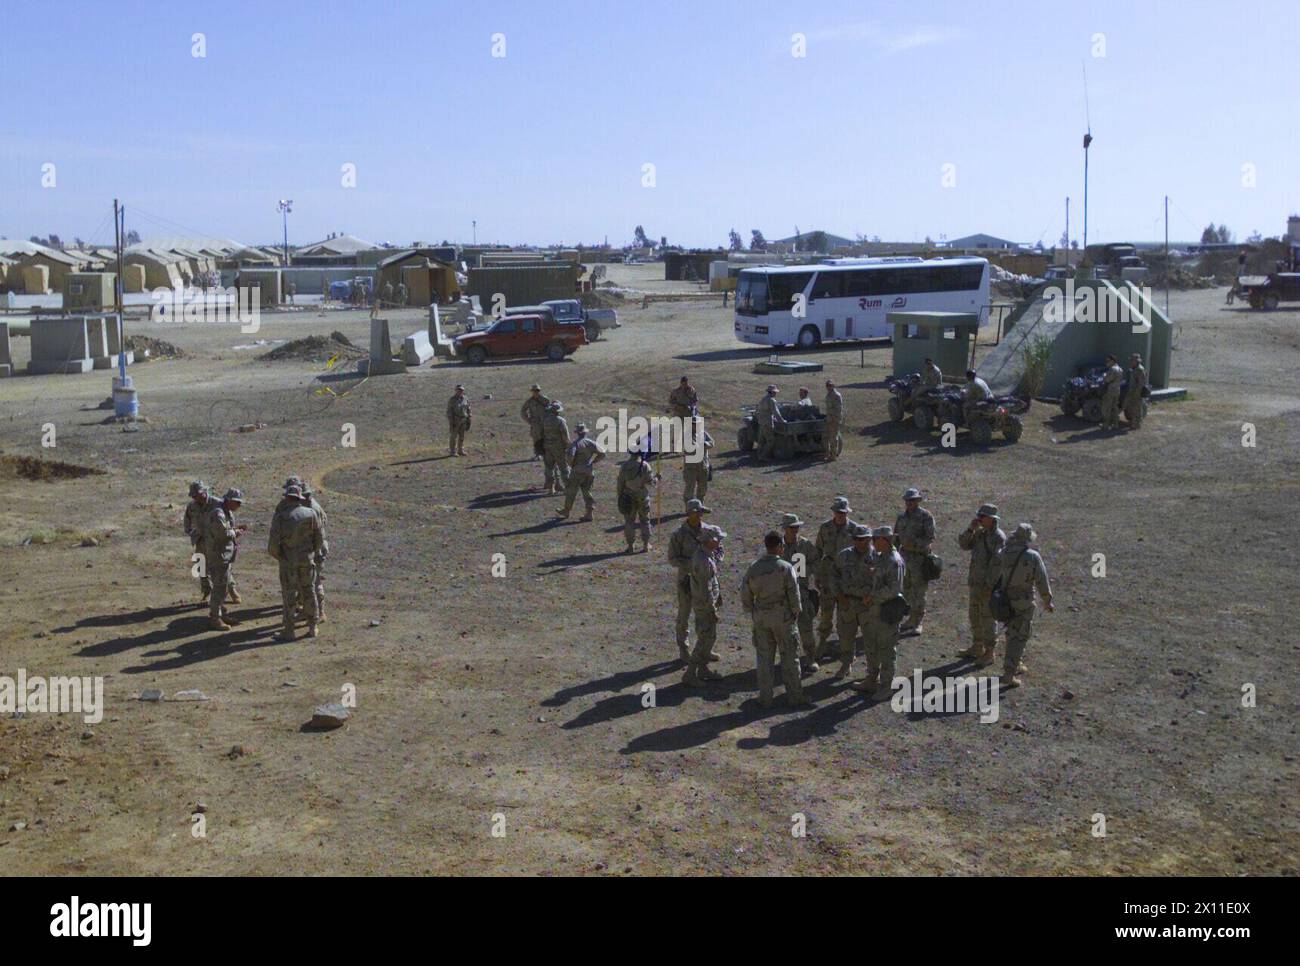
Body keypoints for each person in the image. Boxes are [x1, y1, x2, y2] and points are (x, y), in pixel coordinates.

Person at [742, 531, 807, 707]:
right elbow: (794, 592)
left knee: (764, 659)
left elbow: (745, 593)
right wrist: (795, 611)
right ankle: (795, 696)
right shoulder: (785, 567)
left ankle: (765, 698)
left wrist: (752, 611)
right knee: (790, 658)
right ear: (779, 546)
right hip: (783, 618)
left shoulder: (754, 568)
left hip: (762, 617)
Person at [996, 523, 1053, 689]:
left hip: (1005, 599)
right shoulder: (1032, 556)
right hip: (1024, 601)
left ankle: (1015, 662)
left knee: (1011, 631)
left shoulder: (1003, 553)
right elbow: (1042, 580)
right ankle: (1009, 673)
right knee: (1020, 635)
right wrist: (1047, 600)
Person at [851, 526, 904, 696]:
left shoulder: (894, 561)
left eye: (876, 539)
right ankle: (871, 680)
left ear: (885, 540)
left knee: (886, 650)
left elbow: (894, 589)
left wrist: (872, 596)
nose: (872, 543)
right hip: (874, 612)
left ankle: (886, 686)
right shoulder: (882, 558)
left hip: (886, 612)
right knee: (871, 647)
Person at [668, 499, 721, 662]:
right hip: (687, 579)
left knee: (706, 613)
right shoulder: (679, 534)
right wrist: (693, 565)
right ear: (689, 513)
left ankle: (705, 648)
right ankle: (684, 648)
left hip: (706, 580)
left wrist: (714, 561)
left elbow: (719, 550)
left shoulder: (709, 530)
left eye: (700, 513)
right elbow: (672, 559)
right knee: (684, 613)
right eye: (696, 512)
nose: (699, 515)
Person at [268, 485, 323, 641]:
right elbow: (319, 540)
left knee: (289, 595)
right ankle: (313, 626)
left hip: (289, 561)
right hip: (307, 559)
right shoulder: (311, 514)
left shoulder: (282, 516)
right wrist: (310, 552)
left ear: (287, 497)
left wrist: (281, 557)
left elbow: (272, 546)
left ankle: (289, 630)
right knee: (309, 591)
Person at [957, 504, 1006, 665]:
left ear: (992, 519)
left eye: (982, 516)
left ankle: (990, 652)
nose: (979, 519)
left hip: (988, 586)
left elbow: (998, 565)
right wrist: (970, 529)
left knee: (988, 618)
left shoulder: (998, 537)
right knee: (974, 615)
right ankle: (977, 646)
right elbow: (964, 545)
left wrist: (989, 586)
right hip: (975, 583)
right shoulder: (979, 533)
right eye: (979, 516)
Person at [827, 524, 875, 679]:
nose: (861, 542)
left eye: (864, 539)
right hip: (847, 603)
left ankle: (873, 672)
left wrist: (873, 596)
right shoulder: (844, 555)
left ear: (870, 539)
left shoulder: (878, 557)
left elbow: (885, 580)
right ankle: (846, 664)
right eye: (857, 539)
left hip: (868, 605)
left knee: (871, 639)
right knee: (846, 637)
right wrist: (839, 596)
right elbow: (833, 575)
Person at [814, 496, 859, 660]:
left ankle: (847, 649)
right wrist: (818, 574)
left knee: (846, 614)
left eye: (843, 512)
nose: (840, 515)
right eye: (837, 512)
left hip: (847, 577)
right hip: (828, 574)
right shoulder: (825, 528)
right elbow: (818, 551)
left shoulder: (855, 530)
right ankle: (823, 643)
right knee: (826, 611)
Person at [682, 529, 726, 687]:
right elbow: (705, 588)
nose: (720, 542)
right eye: (718, 539)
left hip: (707, 603)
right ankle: (690, 673)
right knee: (704, 638)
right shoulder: (702, 560)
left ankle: (702, 668)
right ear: (710, 541)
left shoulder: (707, 555)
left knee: (710, 637)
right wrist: (712, 609)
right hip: (705, 605)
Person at [778, 513, 821, 671]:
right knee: (784, 630)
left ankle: (810, 658)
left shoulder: (805, 545)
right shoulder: (778, 546)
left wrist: (805, 570)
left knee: (806, 627)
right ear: (785, 529)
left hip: (800, 592)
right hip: (782, 595)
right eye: (791, 528)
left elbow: (816, 562)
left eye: (796, 527)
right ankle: (788, 659)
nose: (795, 530)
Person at [203, 488, 246, 630]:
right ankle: (215, 618)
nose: (238, 506)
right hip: (218, 556)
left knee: (225, 585)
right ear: (229, 500)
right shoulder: (218, 513)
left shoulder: (226, 512)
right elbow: (222, 534)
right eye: (237, 502)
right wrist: (236, 532)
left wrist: (235, 528)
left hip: (225, 556)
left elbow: (226, 529)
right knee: (220, 587)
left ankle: (221, 613)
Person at [894, 487, 935, 635]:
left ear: (918, 501)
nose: (909, 503)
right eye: (907, 500)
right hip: (904, 559)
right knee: (907, 590)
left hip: (919, 559)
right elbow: (896, 536)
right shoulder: (901, 517)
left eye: (912, 500)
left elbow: (929, 537)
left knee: (919, 591)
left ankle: (918, 622)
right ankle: (911, 619)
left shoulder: (926, 516)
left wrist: (915, 545)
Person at [557, 422, 604, 520]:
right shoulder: (590, 443)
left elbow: (570, 456)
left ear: (577, 433)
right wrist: (593, 461)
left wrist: (572, 465)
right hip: (589, 470)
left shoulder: (575, 444)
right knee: (587, 491)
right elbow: (602, 453)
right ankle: (589, 513)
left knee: (571, 491)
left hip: (577, 471)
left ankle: (566, 511)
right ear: (585, 432)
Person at [615, 448, 656, 553]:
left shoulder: (624, 466)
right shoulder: (645, 465)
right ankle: (646, 545)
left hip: (628, 495)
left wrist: (620, 495)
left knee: (629, 522)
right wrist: (657, 479)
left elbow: (620, 483)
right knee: (645, 521)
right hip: (642, 496)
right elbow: (650, 482)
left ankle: (630, 546)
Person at [184, 481, 213, 603]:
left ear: (204, 492)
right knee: (201, 567)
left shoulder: (216, 504)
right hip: (200, 541)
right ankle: (207, 591)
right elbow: (187, 521)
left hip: (215, 541)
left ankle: (231, 589)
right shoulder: (192, 506)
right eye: (194, 496)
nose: (196, 497)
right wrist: (191, 532)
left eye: (198, 494)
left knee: (219, 567)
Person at [541, 401, 570, 494]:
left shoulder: (546, 420)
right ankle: (567, 488)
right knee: (564, 468)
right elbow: (565, 436)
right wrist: (568, 446)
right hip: (559, 447)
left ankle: (551, 488)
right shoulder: (561, 421)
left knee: (549, 468)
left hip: (547, 446)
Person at [682, 422, 713, 508]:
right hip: (691, 467)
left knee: (702, 488)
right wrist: (701, 445)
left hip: (703, 466)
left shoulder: (703, 433)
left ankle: (700, 506)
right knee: (690, 489)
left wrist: (706, 444)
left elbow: (712, 442)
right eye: (694, 424)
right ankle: (689, 508)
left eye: (698, 424)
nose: (696, 425)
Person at [520, 384, 550, 466]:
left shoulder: (545, 400)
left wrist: (549, 419)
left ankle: (546, 454)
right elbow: (523, 411)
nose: (536, 392)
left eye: (537, 391)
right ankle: (538, 454)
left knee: (546, 438)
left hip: (544, 423)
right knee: (536, 439)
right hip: (535, 424)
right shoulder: (529, 401)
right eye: (534, 391)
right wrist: (529, 420)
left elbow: (550, 409)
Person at [755, 384, 784, 460]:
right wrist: (782, 421)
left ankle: (759, 455)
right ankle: (763, 456)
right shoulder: (772, 400)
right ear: (771, 392)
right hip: (767, 422)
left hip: (761, 421)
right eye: (774, 392)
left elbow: (759, 410)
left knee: (761, 440)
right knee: (770, 440)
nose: (775, 393)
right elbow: (776, 412)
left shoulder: (763, 398)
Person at [1124, 353, 1148, 429]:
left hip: (1137, 393)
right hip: (1132, 392)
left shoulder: (1140, 370)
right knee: (1132, 408)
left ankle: (1137, 424)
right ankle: (1133, 422)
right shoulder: (1134, 369)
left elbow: (1141, 383)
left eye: (1132, 360)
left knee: (1137, 409)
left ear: (1136, 361)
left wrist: (1137, 393)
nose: (1131, 362)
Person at [1100, 354, 1123, 430]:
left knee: (1107, 407)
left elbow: (1107, 379)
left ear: (1112, 361)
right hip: (1117, 390)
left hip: (1110, 390)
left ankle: (1106, 425)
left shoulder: (1112, 369)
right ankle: (1116, 424)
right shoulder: (1120, 369)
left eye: (1108, 361)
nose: (1107, 362)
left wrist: (1104, 376)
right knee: (1115, 408)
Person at [446, 384, 471, 456]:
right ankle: (453, 451)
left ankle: (461, 450)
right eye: (459, 390)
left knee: (462, 436)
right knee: (453, 436)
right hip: (455, 420)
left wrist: (469, 418)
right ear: (456, 390)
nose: (460, 391)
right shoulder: (452, 400)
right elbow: (449, 411)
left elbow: (468, 408)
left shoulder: (465, 398)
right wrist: (451, 421)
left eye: (461, 390)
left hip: (464, 419)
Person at [823, 379, 843, 461]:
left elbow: (838, 409)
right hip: (829, 418)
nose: (829, 387)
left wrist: (831, 414)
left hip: (834, 419)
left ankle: (833, 456)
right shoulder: (829, 394)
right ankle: (828, 454)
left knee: (833, 438)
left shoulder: (836, 395)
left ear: (833, 386)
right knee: (826, 437)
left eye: (830, 385)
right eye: (827, 385)